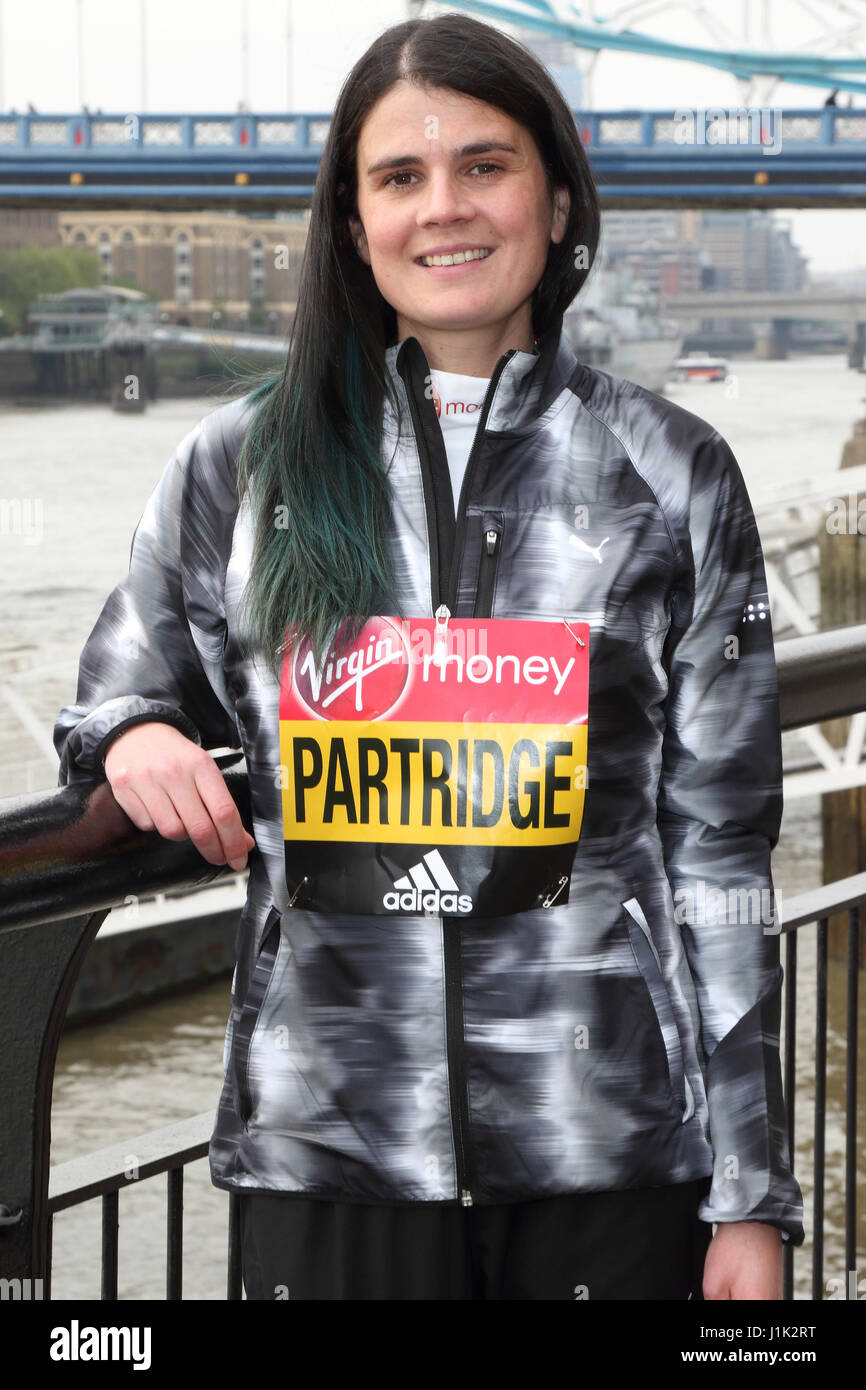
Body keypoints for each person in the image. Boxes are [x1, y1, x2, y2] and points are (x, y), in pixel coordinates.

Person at [54, 13, 805, 1301]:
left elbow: (721, 848)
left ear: (557, 198)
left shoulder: (675, 471)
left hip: (608, 1153)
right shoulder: (246, 462)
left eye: (485, 166)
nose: (442, 209)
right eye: (399, 176)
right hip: (328, 1151)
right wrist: (134, 734)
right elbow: (121, 670)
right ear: (353, 224)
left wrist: (751, 1195)